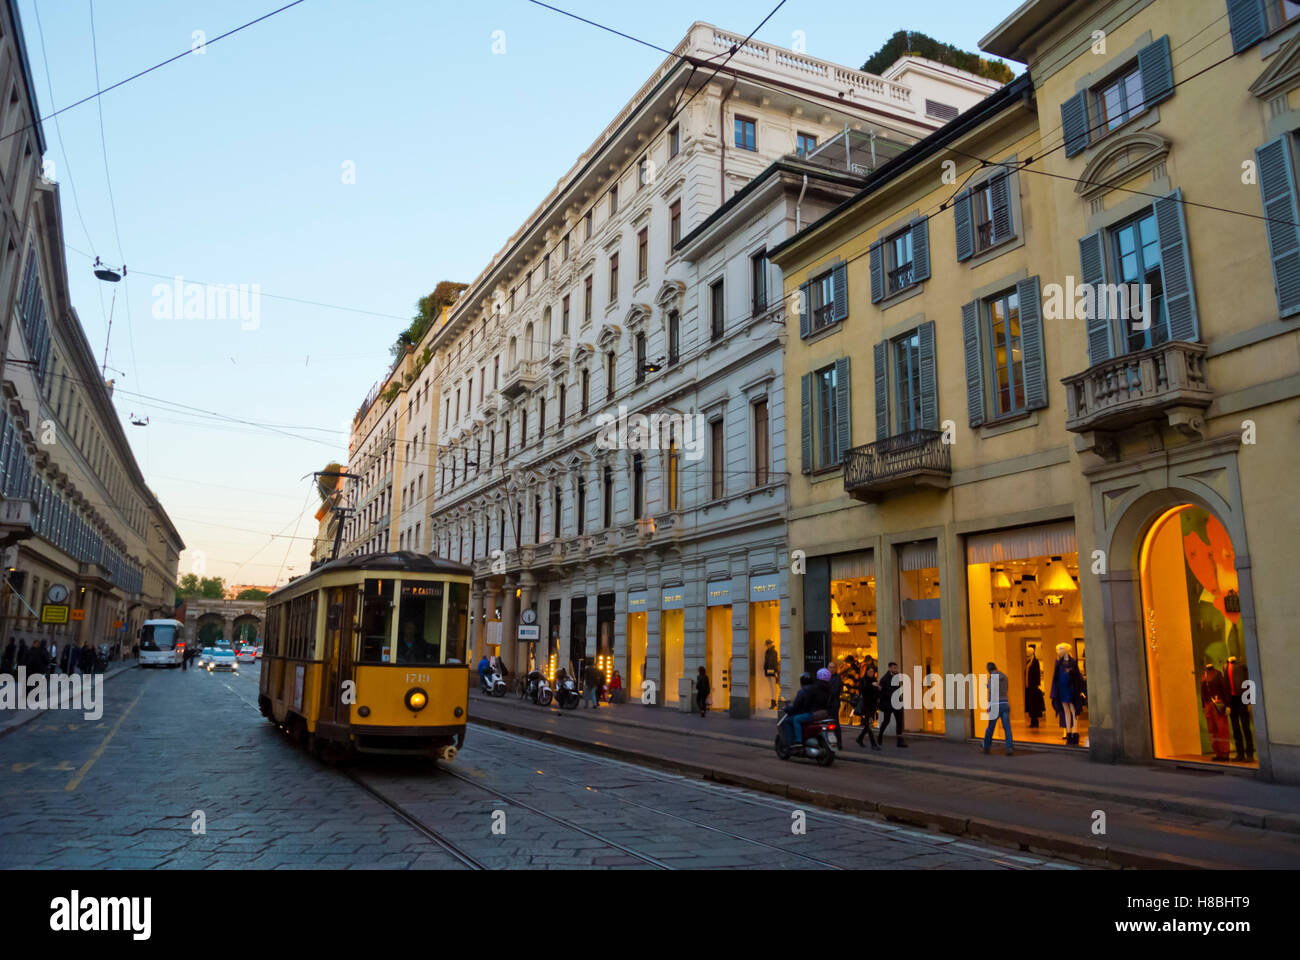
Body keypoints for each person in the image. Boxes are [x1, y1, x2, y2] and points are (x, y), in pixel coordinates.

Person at [1200, 660, 1232, 762]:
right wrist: (1203, 706)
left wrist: (1228, 705)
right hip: (1208, 706)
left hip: (1218, 705)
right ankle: (1218, 752)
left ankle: (1224, 753)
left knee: (1222, 729)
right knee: (1212, 731)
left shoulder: (1217, 674)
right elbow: (1202, 692)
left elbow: (1224, 689)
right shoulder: (1204, 675)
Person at [1225, 656, 1254, 762]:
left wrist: (1250, 701)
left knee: (1245, 727)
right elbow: (1226, 685)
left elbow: (1249, 681)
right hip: (1232, 700)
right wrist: (1227, 704)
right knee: (1235, 728)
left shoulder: (1242, 666)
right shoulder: (1226, 667)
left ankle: (1249, 753)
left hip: (1242, 698)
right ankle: (1240, 753)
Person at [982, 661, 1014, 755]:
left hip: (996, 704)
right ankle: (1009, 747)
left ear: (988, 670)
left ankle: (986, 745)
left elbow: (992, 692)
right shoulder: (1004, 676)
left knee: (990, 727)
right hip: (1005, 703)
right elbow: (1005, 689)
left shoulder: (992, 677)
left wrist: (989, 705)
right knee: (1007, 727)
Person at [877, 661, 907, 747]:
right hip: (888, 704)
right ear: (889, 668)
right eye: (894, 668)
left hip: (897, 703)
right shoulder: (884, 679)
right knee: (886, 721)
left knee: (899, 721)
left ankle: (900, 741)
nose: (896, 669)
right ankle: (880, 736)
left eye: (896, 668)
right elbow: (882, 692)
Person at [855, 658, 881, 749]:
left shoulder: (875, 680)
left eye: (873, 671)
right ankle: (873, 744)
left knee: (868, 724)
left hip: (873, 706)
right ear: (866, 672)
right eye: (870, 671)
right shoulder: (863, 680)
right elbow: (862, 690)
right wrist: (871, 686)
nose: (871, 673)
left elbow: (876, 693)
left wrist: (878, 688)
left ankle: (860, 738)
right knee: (869, 724)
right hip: (865, 705)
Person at [826, 665, 845, 749]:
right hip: (827, 704)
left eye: (833, 667)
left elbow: (834, 691)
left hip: (833, 704)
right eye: (830, 667)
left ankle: (838, 742)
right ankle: (830, 741)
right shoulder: (827, 678)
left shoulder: (837, 678)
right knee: (828, 724)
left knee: (835, 723)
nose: (832, 669)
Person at [762, 639, 780, 709]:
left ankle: (774, 702)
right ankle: (773, 702)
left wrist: (775, 671)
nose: (767, 646)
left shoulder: (774, 652)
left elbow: (775, 662)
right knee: (771, 686)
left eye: (768, 644)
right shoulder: (767, 652)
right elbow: (766, 661)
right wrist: (765, 669)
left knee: (773, 686)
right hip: (768, 670)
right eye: (767, 644)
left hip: (772, 670)